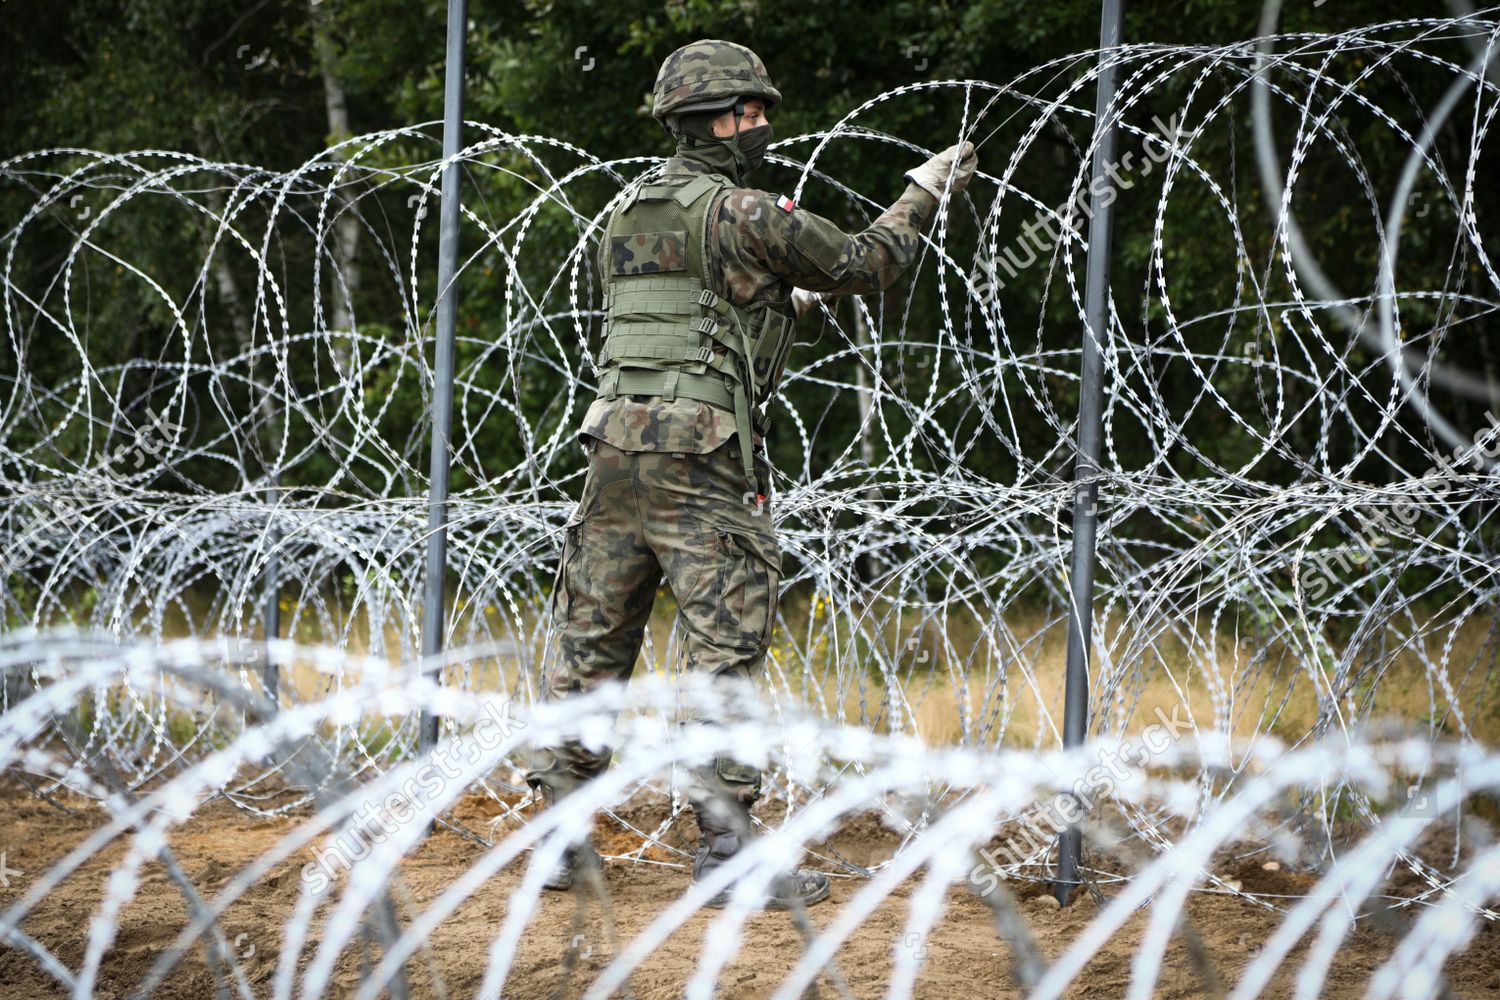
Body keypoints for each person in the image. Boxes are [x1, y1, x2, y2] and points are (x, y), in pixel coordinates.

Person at [524, 38, 977, 909]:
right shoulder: (744, 210)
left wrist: (782, 304)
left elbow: (692, 310)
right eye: (753, 110)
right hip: (701, 458)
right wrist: (923, 192)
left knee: (591, 648)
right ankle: (726, 853)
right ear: (718, 121)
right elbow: (867, 265)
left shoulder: (625, 212)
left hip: (614, 450)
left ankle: (559, 843)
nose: (765, 123)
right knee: (722, 653)